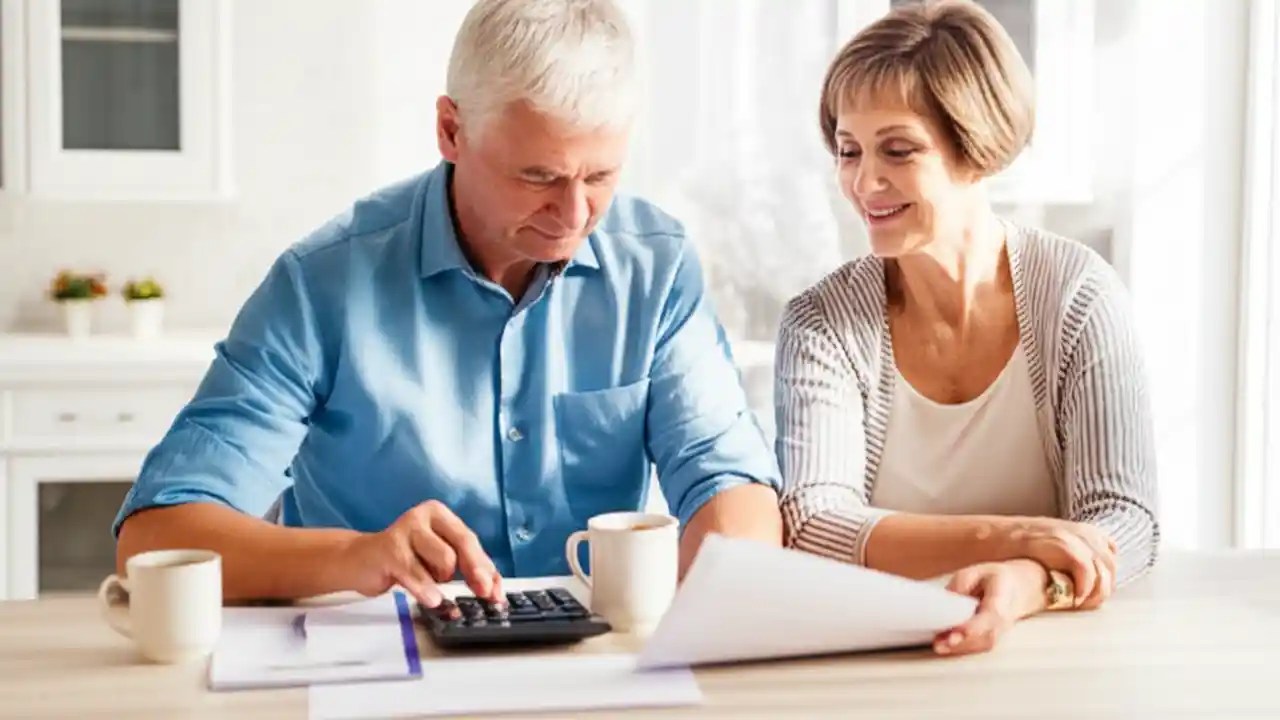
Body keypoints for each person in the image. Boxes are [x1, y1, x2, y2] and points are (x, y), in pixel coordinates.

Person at [113, 0, 782, 610]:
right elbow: (155, 536)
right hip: (378, 660)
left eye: (600, 176)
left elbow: (731, 485)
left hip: (591, 668)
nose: (573, 215)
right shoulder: (323, 284)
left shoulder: (655, 269)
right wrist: (359, 556)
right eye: (538, 176)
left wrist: (725, 584)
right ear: (450, 130)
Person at [776, 0, 1158, 656]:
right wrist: (1010, 537)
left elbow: (1127, 520)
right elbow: (814, 523)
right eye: (848, 150)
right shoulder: (823, 322)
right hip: (878, 657)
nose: (865, 181)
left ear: (976, 150)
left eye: (898, 149)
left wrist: (1028, 581)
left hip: (1055, 654)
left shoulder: (1077, 296)